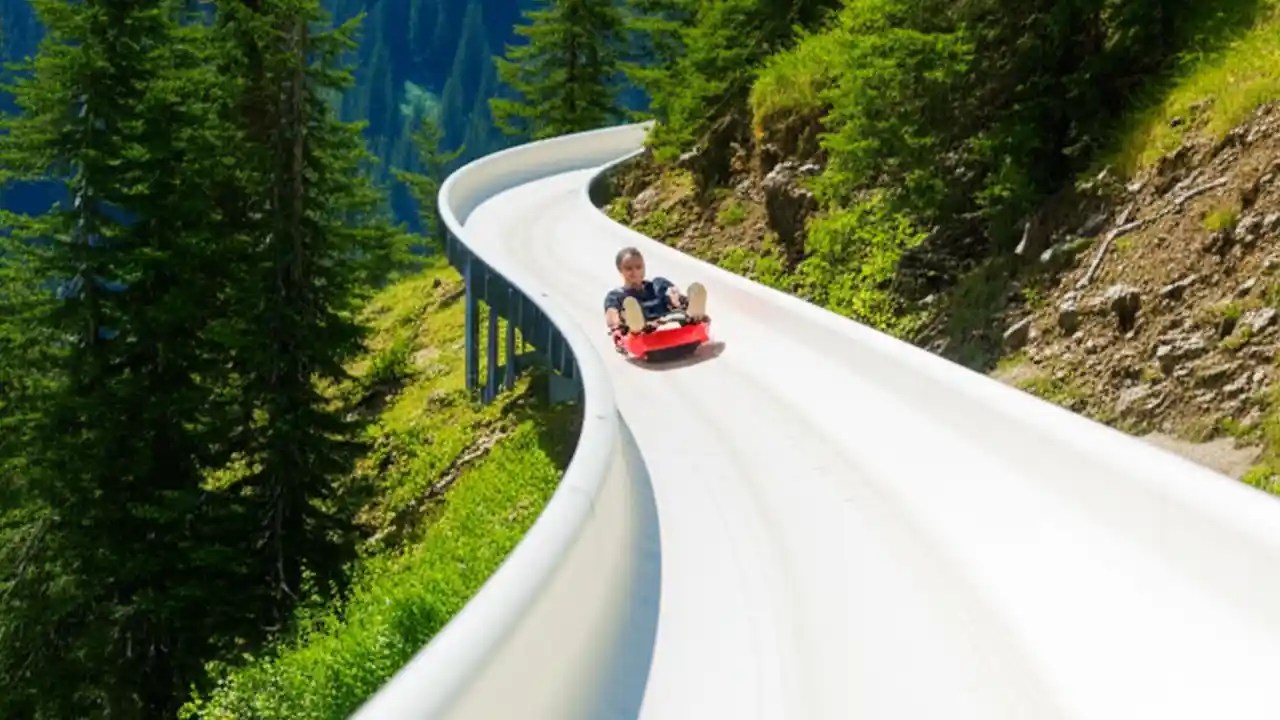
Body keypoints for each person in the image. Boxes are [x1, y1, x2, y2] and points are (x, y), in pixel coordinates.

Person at [604, 246, 707, 334]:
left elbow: (671, 291)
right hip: (643, 331)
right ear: (620, 270)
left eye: (638, 267)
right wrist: (616, 322)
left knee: (661, 284)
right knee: (625, 304)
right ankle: (634, 324)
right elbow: (611, 314)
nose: (634, 272)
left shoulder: (655, 285)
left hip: (669, 320)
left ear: (644, 267)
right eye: (629, 268)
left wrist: (676, 298)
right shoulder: (617, 295)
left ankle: (693, 312)